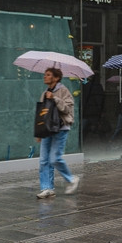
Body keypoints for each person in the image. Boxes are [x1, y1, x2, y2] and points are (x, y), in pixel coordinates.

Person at [37, 68, 80, 199]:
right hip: (47, 129)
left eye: (48, 75)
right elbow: (42, 113)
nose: (45, 77)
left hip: (61, 128)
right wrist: (39, 131)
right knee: (44, 160)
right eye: (45, 74)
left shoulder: (64, 91)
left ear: (56, 78)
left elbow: (67, 109)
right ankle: (47, 188)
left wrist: (55, 98)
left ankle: (71, 179)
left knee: (54, 158)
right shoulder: (45, 93)